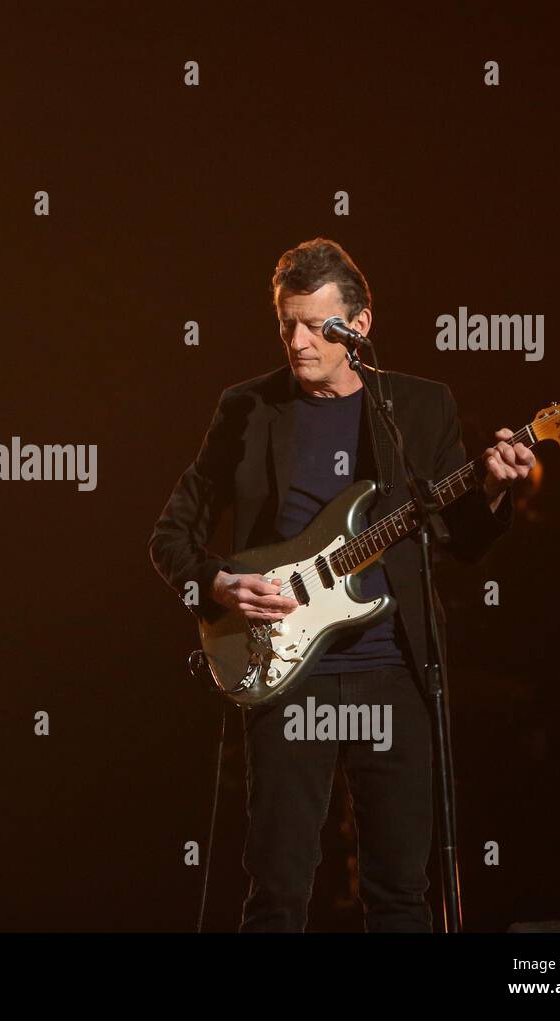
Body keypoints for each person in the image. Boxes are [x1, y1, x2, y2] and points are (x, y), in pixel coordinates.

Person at [149, 238, 533, 931]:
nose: (296, 342)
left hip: (394, 671)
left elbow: (462, 539)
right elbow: (169, 536)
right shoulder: (247, 409)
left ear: (358, 326)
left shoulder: (417, 406)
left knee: (399, 895)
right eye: (285, 324)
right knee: (278, 894)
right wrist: (219, 584)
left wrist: (499, 493)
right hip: (285, 670)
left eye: (314, 326)